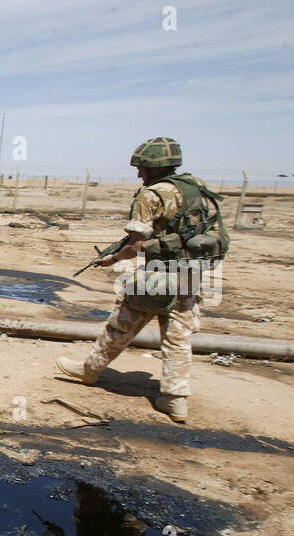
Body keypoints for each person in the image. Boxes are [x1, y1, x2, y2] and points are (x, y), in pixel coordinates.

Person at [56, 137, 226, 423]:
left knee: (120, 327)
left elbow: (136, 245)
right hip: (191, 275)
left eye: (142, 168)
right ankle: (175, 399)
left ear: (153, 168)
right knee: (178, 339)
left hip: (157, 276)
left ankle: (90, 371)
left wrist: (113, 258)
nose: (139, 174)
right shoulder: (197, 189)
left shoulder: (152, 195)